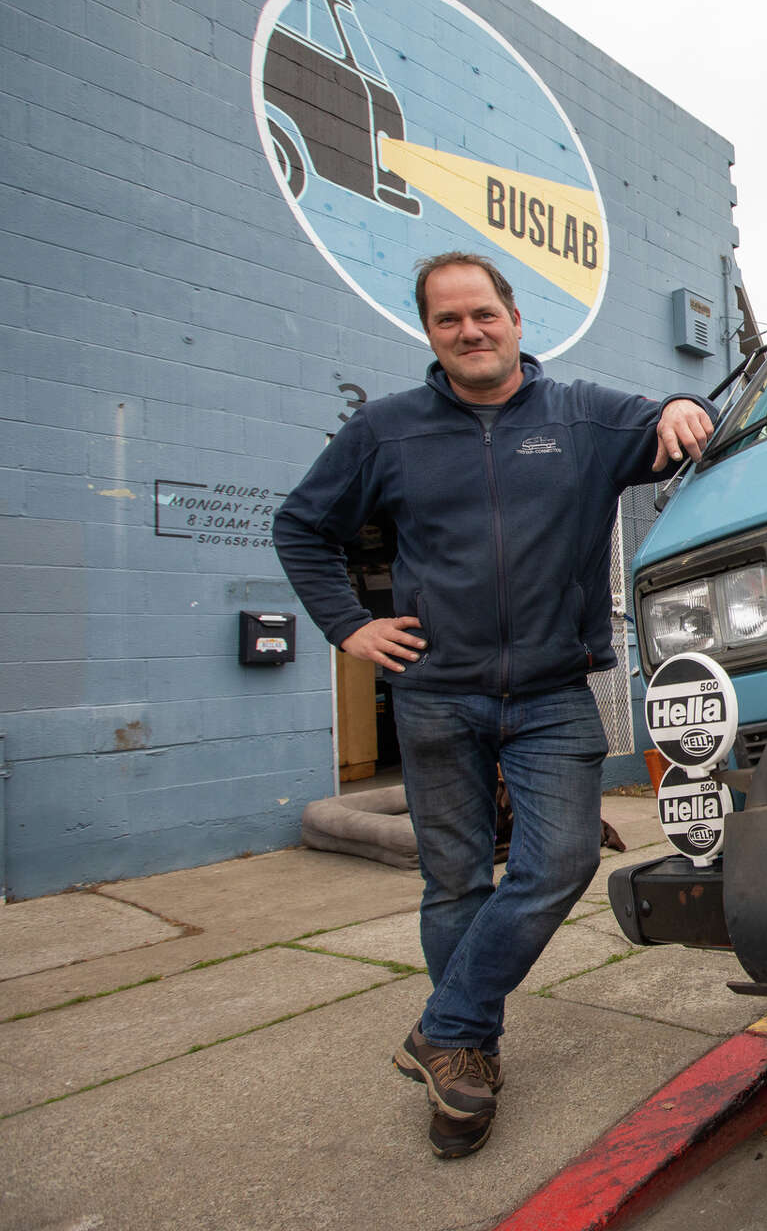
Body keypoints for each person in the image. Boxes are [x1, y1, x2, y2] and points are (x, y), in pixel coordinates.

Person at [273, 252, 715, 1158]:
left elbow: (677, 425)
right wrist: (350, 628)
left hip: (555, 693)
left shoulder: (586, 417)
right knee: (456, 882)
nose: (469, 332)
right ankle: (468, 1058)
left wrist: (681, 404)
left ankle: (445, 1024)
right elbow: (301, 527)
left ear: (516, 319)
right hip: (436, 696)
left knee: (556, 862)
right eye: (448, 321)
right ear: (430, 334)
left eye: (484, 314)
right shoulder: (386, 432)